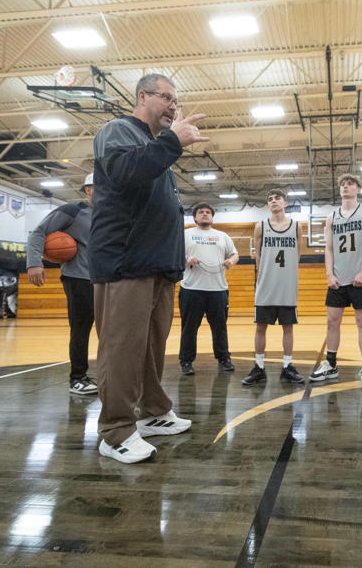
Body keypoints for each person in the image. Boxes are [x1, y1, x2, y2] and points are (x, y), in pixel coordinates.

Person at [91, 73, 207, 464]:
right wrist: (174, 141)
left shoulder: (154, 145)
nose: (173, 106)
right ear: (143, 96)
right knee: (122, 350)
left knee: (151, 348)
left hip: (157, 265)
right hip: (126, 263)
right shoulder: (118, 131)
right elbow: (126, 172)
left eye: (176, 99)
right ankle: (115, 430)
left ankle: (153, 413)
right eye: (167, 98)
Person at [27, 173, 97, 396]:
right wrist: (34, 263)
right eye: (97, 186)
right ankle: (77, 378)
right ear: (87, 189)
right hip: (79, 278)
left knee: (110, 331)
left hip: (106, 279)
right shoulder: (72, 210)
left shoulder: (113, 214)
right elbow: (38, 232)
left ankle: (106, 374)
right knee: (81, 328)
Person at [310, 174, 362, 387]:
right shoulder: (332, 217)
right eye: (342, 184)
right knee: (332, 322)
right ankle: (331, 364)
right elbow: (329, 248)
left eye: (350, 184)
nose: (345, 187)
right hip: (338, 280)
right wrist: (329, 274)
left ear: (358, 189)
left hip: (360, 278)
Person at [242, 189, 304, 385]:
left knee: (288, 327)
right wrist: (262, 274)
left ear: (285, 203)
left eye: (277, 198)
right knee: (261, 327)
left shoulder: (296, 226)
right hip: (266, 284)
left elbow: (298, 254)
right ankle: (259, 367)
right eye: (270, 199)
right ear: (267, 205)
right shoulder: (260, 226)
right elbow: (258, 255)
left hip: (287, 284)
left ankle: (288, 366)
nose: (273, 201)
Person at [179, 202, 239, 375]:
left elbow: (235, 254)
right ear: (195, 217)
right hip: (191, 290)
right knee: (189, 328)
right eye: (200, 212)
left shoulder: (222, 236)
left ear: (212, 216)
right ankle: (186, 361)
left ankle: (224, 358)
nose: (204, 214)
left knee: (220, 327)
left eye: (207, 212)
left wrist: (231, 261)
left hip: (218, 290)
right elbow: (175, 255)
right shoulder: (185, 235)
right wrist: (187, 259)